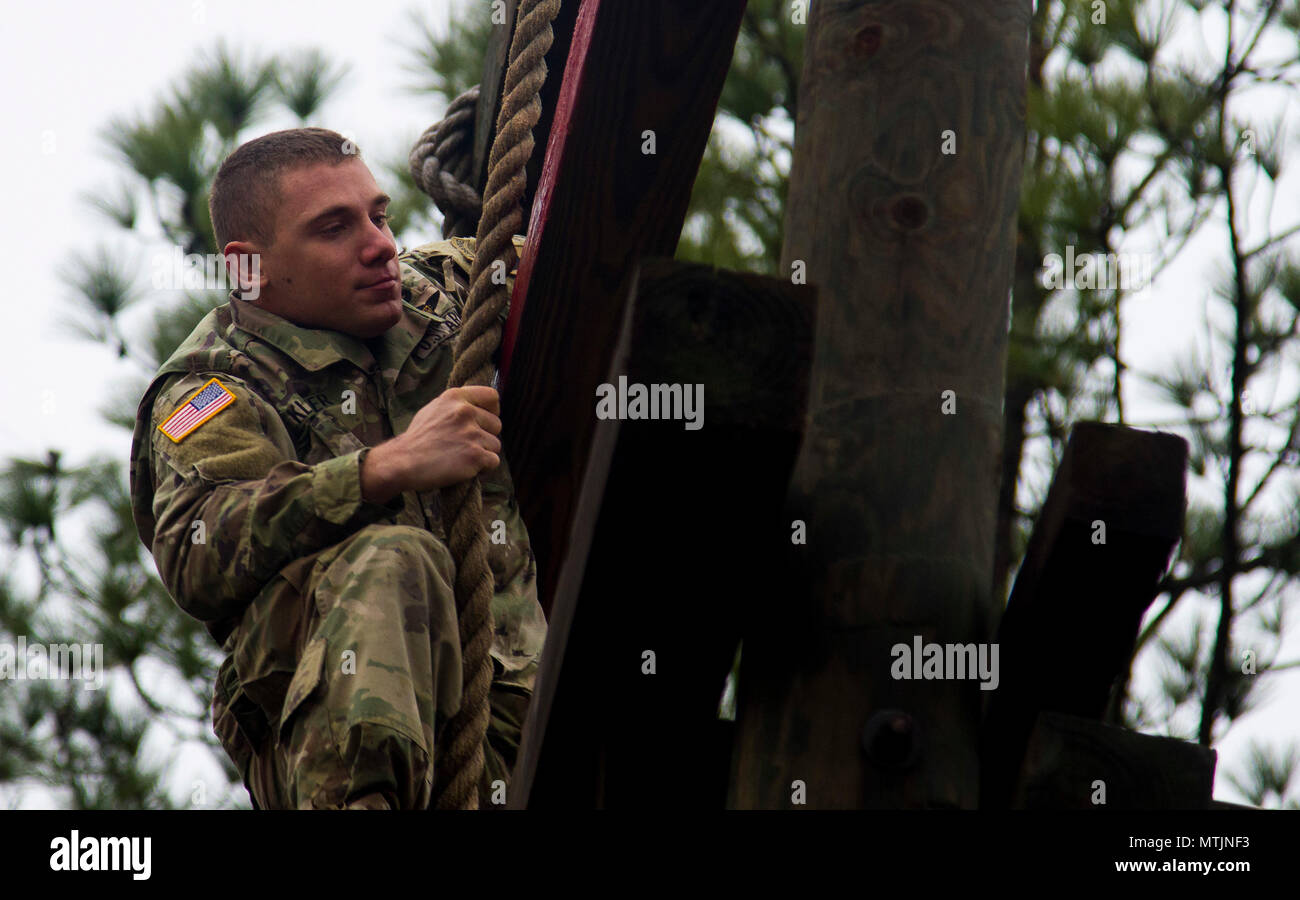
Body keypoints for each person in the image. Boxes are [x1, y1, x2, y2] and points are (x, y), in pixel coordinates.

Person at [128, 127, 546, 809]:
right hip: (326, 742)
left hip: (511, 718)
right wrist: (381, 469)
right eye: (333, 227)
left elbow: (587, 264)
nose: (380, 243)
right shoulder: (214, 388)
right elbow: (196, 546)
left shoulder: (439, 294)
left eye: (379, 215)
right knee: (393, 560)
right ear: (248, 270)